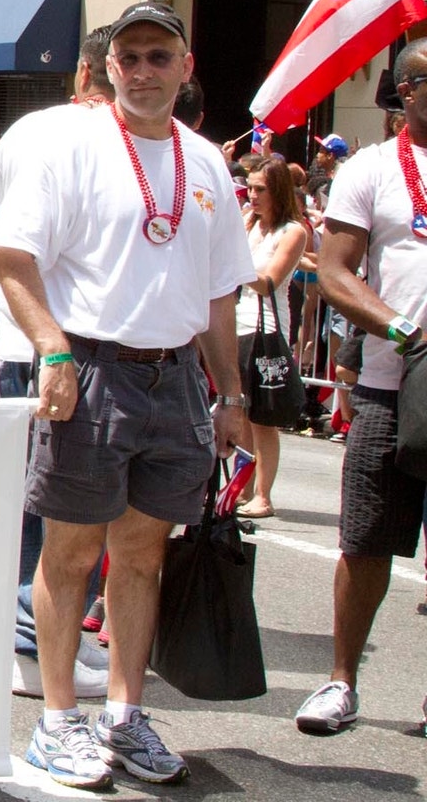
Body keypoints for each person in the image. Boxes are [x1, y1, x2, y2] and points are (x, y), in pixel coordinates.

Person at [0, 1, 254, 789]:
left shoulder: (205, 162)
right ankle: (58, 719)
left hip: (174, 377)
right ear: (109, 70)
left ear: (186, 66)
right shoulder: (72, 147)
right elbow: (11, 255)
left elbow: (217, 296)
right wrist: (54, 352)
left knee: (141, 556)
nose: (143, 71)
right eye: (129, 58)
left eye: (158, 57)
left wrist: (231, 391)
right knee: (71, 553)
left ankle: (126, 715)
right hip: (94, 370)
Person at [0, 24, 113, 702]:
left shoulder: (28, 130)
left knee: (38, 497)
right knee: (59, 500)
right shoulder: (87, 136)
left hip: (35, 339)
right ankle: (28, 640)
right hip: (69, 346)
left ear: (84, 72)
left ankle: (26, 633)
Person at [294, 36, 427, 736]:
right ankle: (341, 681)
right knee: (366, 539)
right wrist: (403, 329)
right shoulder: (372, 170)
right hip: (389, 383)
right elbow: (338, 272)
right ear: (405, 91)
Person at [234, 157, 308, 519]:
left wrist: (232, 263)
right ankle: (242, 489)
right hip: (238, 326)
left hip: (268, 329)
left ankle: (263, 494)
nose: (253, 195)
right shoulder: (250, 223)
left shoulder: (293, 231)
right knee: (241, 413)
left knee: (263, 418)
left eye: (260, 189)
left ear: (277, 190)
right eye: (249, 188)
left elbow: (269, 282)